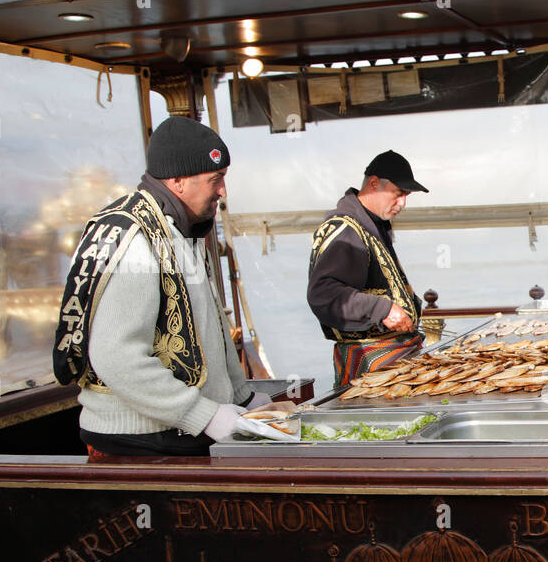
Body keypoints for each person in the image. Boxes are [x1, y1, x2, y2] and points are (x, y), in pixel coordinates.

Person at [53, 116, 265, 456]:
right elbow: (116, 356)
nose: (223, 190)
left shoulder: (183, 231)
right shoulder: (135, 238)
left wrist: (243, 396)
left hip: (177, 430)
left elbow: (210, 329)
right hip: (142, 442)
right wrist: (202, 415)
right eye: (216, 179)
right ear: (178, 181)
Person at [307, 150, 428, 388]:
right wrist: (382, 309)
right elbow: (323, 294)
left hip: (397, 359)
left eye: (406, 196)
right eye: (398, 193)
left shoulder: (374, 225)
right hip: (370, 365)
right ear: (374, 184)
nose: (402, 203)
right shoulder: (345, 229)